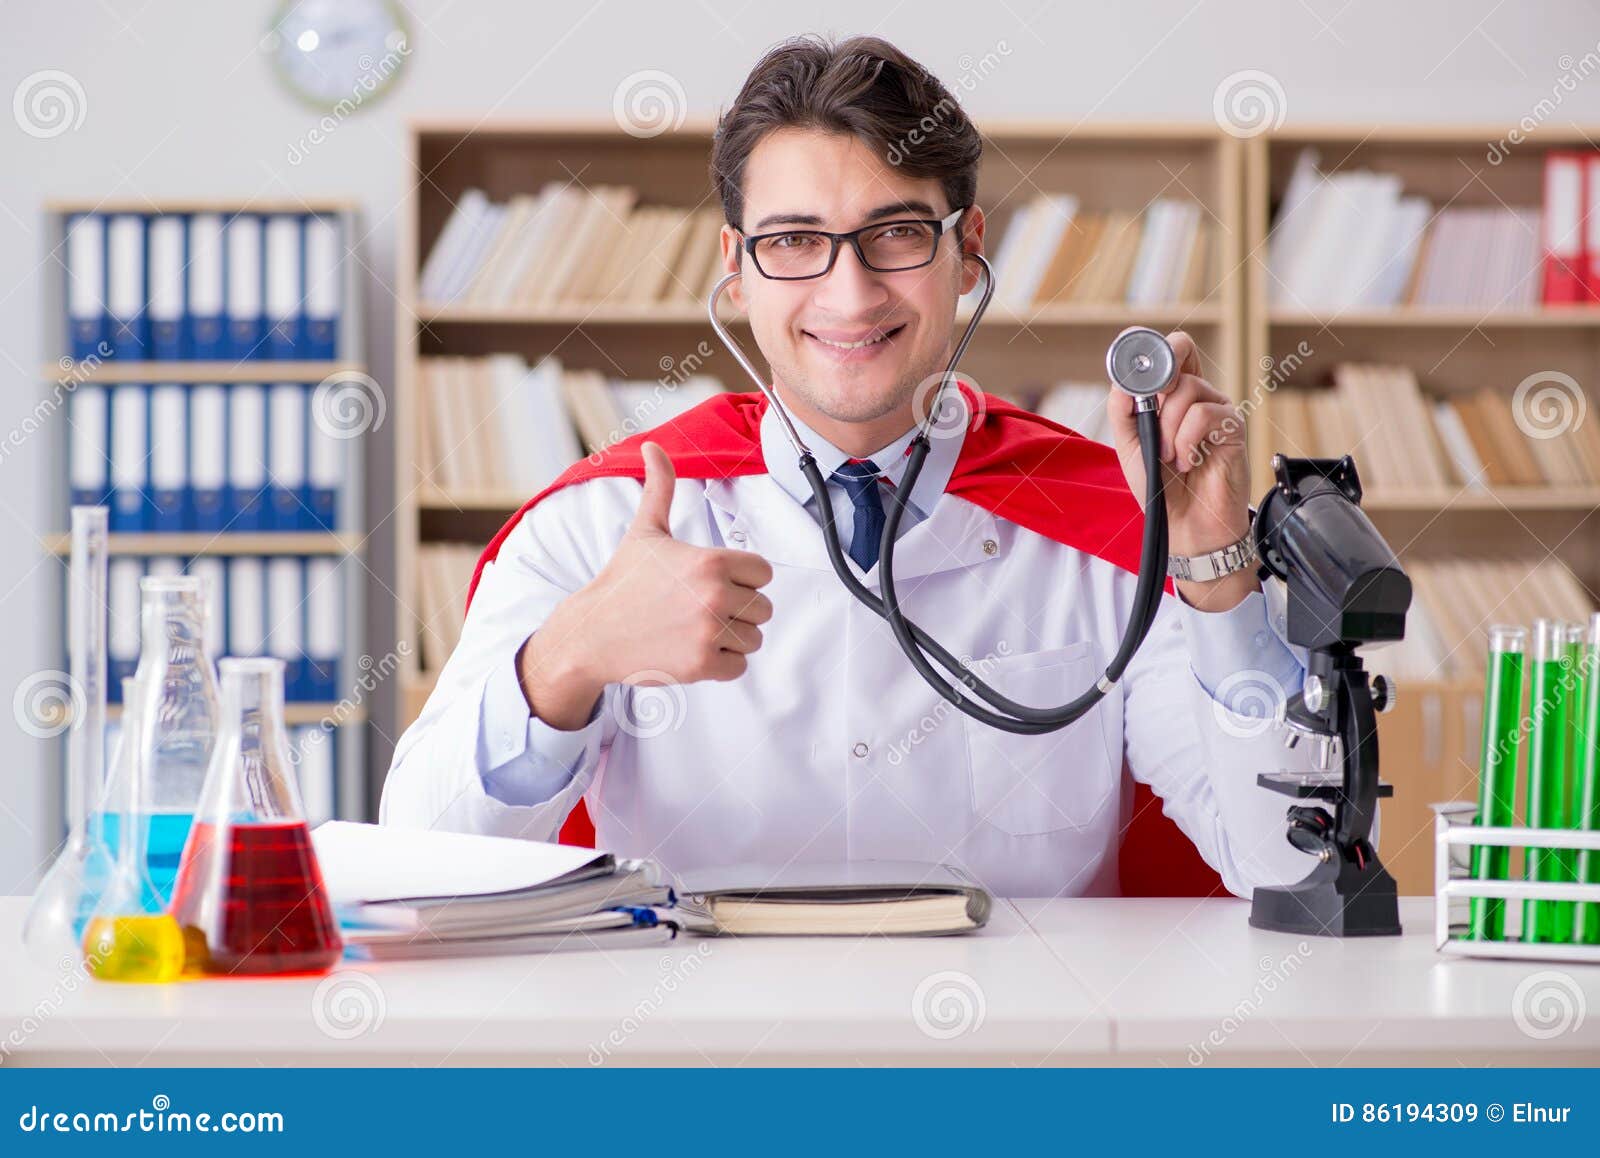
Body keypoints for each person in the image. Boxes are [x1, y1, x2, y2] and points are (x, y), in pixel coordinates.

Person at [381, 34, 1344, 898]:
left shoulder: (1115, 525)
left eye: (895, 233)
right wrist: (570, 656)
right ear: (737, 266)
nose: (849, 293)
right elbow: (418, 864)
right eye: (794, 240)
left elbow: (1292, 868)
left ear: (967, 251)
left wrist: (1217, 560)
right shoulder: (596, 528)